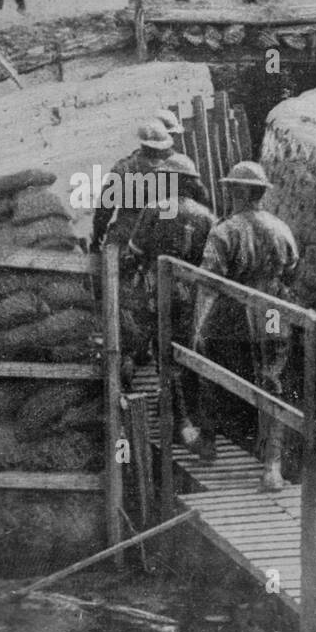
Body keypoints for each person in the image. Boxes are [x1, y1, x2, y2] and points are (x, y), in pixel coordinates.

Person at [190, 161, 298, 490]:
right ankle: (272, 466)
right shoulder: (282, 228)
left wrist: (198, 323)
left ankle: (207, 442)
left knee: (211, 371)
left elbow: (208, 278)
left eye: (232, 190)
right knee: (272, 382)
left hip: (233, 314)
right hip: (273, 313)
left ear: (238, 192)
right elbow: (291, 270)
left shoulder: (225, 231)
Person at [123, 153, 216, 436]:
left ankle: (174, 414)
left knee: (161, 351)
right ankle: (186, 414)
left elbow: (135, 251)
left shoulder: (157, 209)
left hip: (157, 291)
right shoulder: (206, 216)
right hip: (192, 295)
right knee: (186, 350)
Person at [90, 119, 174, 253]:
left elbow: (104, 209)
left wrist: (97, 238)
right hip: (160, 237)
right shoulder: (173, 169)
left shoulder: (123, 168)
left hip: (127, 235)